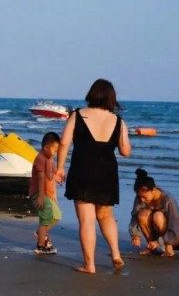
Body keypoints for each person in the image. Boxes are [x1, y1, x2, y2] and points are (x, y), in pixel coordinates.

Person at [56, 78, 131, 273]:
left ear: (92, 94)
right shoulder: (118, 121)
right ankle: (115, 253)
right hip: (107, 173)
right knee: (106, 216)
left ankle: (90, 265)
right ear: (111, 98)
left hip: (83, 170)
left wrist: (60, 168)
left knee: (87, 220)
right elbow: (125, 151)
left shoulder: (78, 115)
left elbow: (64, 143)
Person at [129, 168, 179, 257]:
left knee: (158, 215)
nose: (142, 200)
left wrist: (161, 241)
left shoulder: (167, 199)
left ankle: (169, 249)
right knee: (141, 215)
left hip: (176, 235)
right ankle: (152, 248)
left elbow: (175, 226)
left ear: (153, 190)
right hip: (157, 236)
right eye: (139, 197)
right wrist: (135, 235)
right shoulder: (140, 197)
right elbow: (134, 216)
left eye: (144, 197)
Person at [29, 132, 62, 254]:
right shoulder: (40, 159)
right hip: (39, 194)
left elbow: (52, 168)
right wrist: (41, 197)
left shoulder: (49, 158)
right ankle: (40, 245)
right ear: (46, 147)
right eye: (54, 150)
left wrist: (58, 174)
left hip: (46, 194)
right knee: (45, 219)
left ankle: (40, 233)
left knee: (56, 216)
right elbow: (41, 178)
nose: (55, 153)